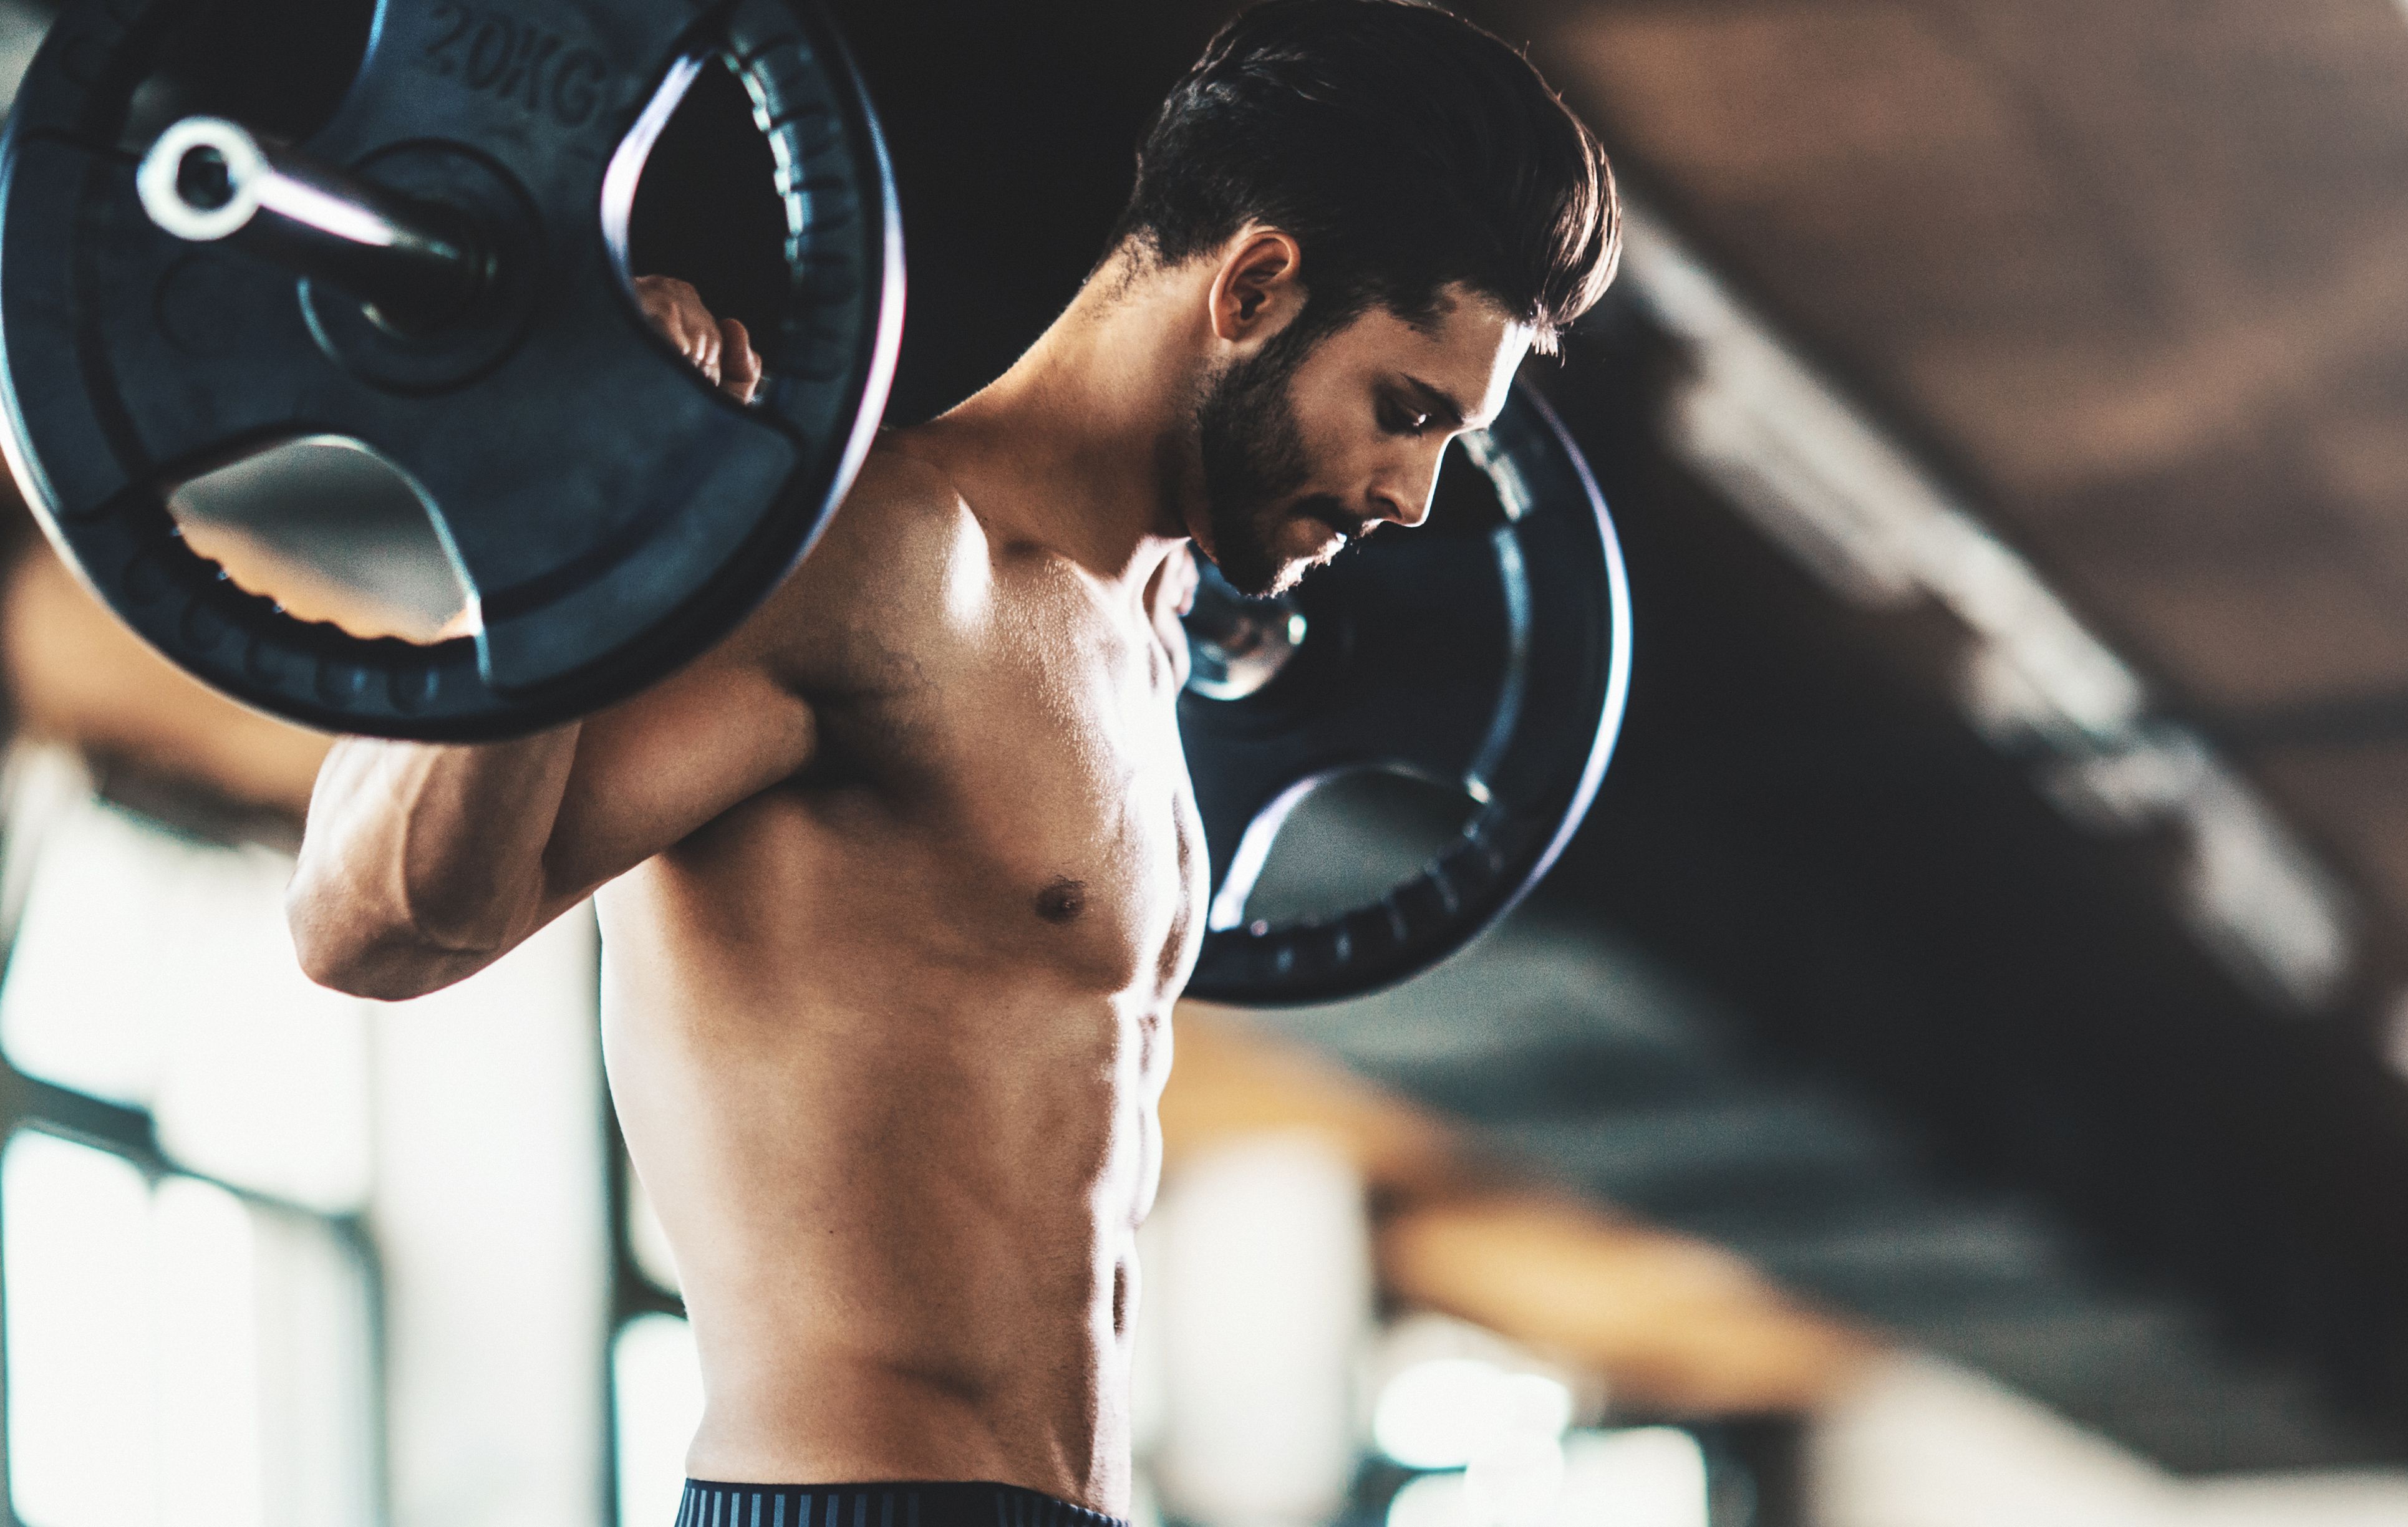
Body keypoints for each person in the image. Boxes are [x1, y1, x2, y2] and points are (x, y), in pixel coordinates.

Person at [286, 2, 1620, 1521]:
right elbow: (374, 923)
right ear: (1253, 286)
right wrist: (563, 498)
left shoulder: (1148, 631)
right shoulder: (876, 559)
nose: (1414, 494)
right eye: (1406, 411)